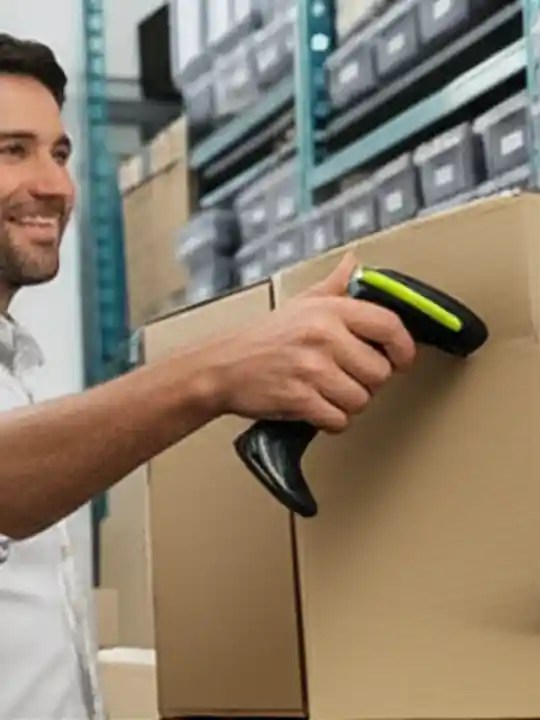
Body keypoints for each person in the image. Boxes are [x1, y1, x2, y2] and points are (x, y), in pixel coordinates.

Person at [0, 34, 419, 720]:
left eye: (60, 153)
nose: (55, 184)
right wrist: (220, 371)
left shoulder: (17, 368)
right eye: (11, 151)